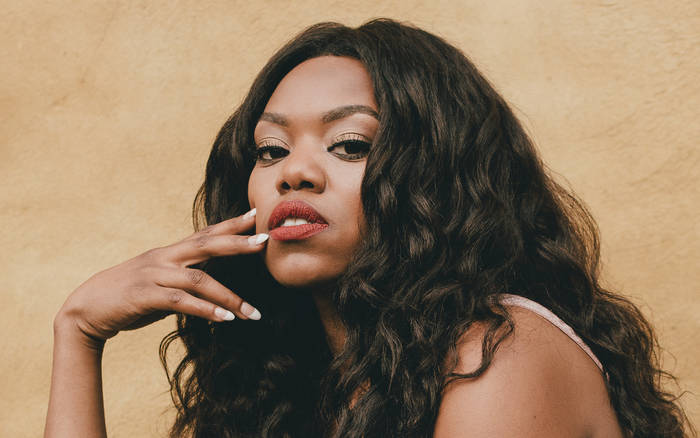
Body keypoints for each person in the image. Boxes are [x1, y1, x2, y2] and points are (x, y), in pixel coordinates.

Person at [45, 18, 693, 438]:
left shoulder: (498, 354)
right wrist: (78, 331)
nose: (294, 172)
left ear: (440, 176)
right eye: (270, 150)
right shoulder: (310, 382)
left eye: (349, 145)